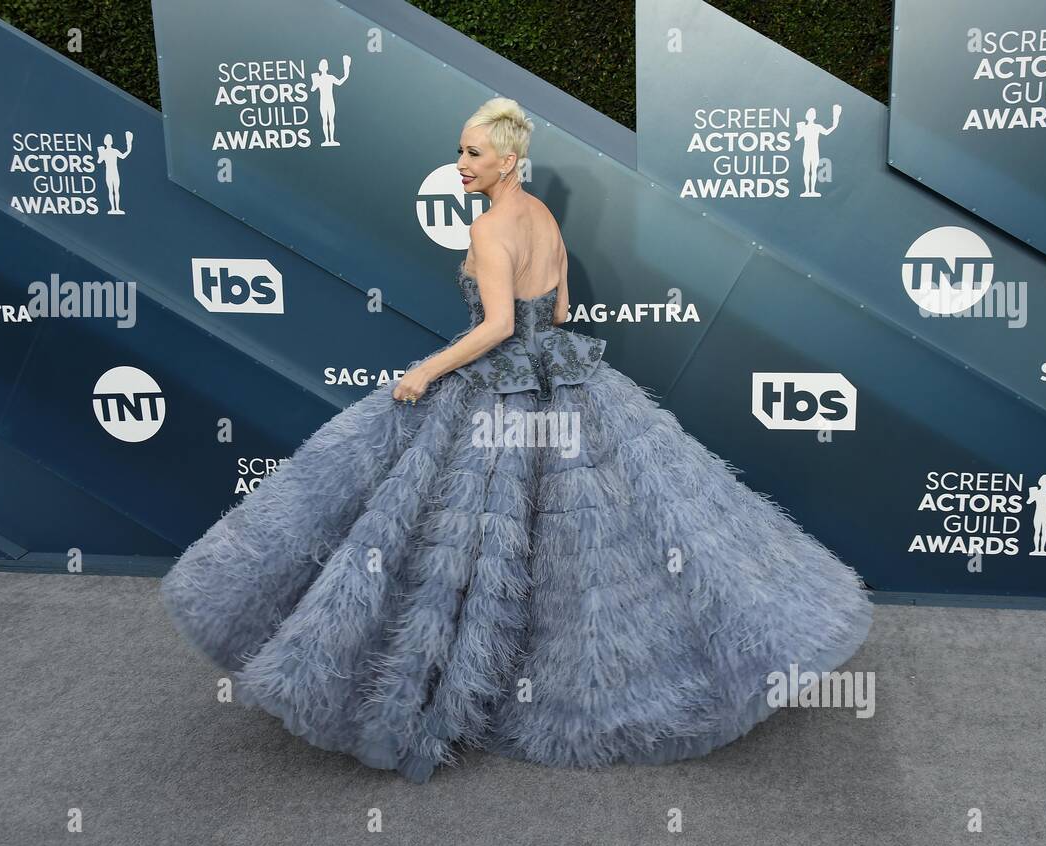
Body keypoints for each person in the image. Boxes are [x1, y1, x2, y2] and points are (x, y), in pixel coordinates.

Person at [160, 97, 874, 783]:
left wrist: (426, 370)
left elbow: (498, 327)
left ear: (506, 159)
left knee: (463, 538)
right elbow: (557, 310)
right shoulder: (543, 219)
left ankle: (457, 690)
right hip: (562, 381)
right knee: (586, 545)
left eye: (472, 153)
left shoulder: (488, 229)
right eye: (460, 152)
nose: (461, 164)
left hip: (495, 387)